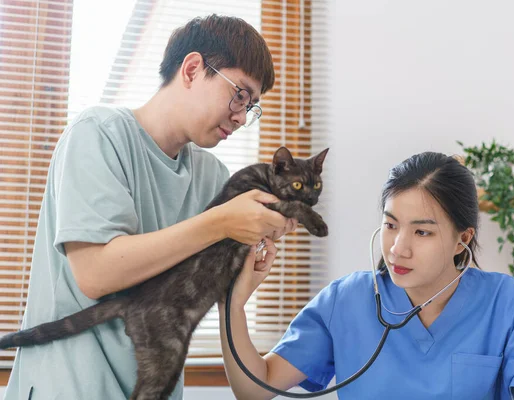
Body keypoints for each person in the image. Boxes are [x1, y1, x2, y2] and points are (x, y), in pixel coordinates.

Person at [5, 14, 298, 400]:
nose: (242, 117)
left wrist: (241, 282)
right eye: (239, 95)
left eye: (251, 107)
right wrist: (222, 222)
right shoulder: (99, 134)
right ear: (192, 69)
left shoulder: (213, 177)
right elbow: (95, 272)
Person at [220, 152, 514, 400]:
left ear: (462, 239)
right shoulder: (345, 301)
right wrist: (233, 305)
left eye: (422, 232)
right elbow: (255, 387)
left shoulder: (509, 306)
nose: (398, 249)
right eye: (391, 225)